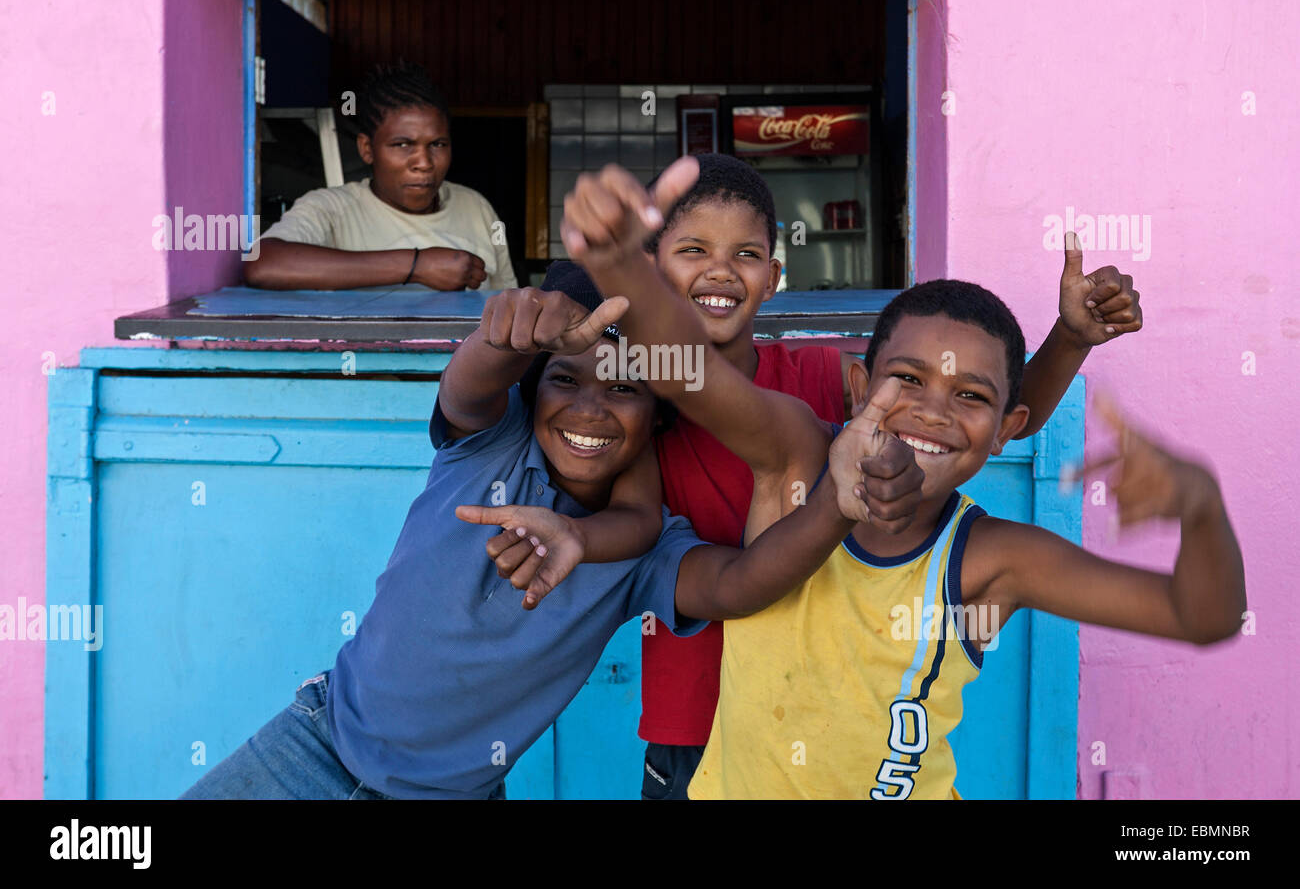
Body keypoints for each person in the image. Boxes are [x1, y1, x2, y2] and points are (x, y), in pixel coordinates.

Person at [558, 159, 1244, 799]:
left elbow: (1203, 616)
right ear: (858, 390)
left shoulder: (991, 557)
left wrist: (1202, 506)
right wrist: (620, 266)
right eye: (908, 380)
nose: (932, 409)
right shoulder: (794, 449)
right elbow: (690, 375)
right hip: (698, 733)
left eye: (968, 396)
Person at [179, 259, 893, 800]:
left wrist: (838, 499)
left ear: (659, 414)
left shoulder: (644, 549)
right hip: (318, 750)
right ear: (532, 385)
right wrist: (516, 325)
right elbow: (470, 381)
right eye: (565, 379)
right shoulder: (492, 441)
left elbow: (739, 585)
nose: (589, 408)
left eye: (623, 389)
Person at [245, 61, 517, 292]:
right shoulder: (331, 209)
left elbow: (509, 298)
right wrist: (417, 266)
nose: (423, 163)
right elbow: (262, 264)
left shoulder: (475, 207)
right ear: (367, 149)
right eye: (402, 145)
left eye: (437, 144)